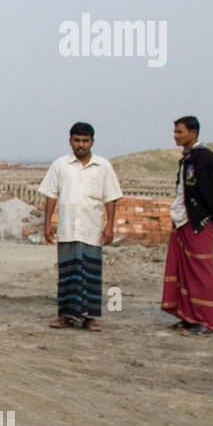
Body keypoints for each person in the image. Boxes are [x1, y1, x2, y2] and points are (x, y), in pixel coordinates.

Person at [39, 123, 123, 331]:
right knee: (68, 274)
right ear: (70, 141)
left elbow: (111, 198)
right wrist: (47, 224)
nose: (81, 145)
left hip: (91, 230)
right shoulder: (60, 165)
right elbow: (51, 195)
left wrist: (109, 226)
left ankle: (90, 318)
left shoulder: (103, 166)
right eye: (77, 140)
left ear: (92, 142)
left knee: (90, 274)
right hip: (67, 229)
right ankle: (65, 316)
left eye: (85, 141)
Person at [162, 116, 213, 335]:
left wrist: (211, 217)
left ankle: (206, 320)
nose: (175, 136)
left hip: (198, 222)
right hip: (184, 219)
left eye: (179, 132)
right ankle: (188, 316)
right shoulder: (189, 158)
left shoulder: (206, 159)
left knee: (200, 270)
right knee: (183, 268)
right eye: (174, 132)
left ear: (193, 133)